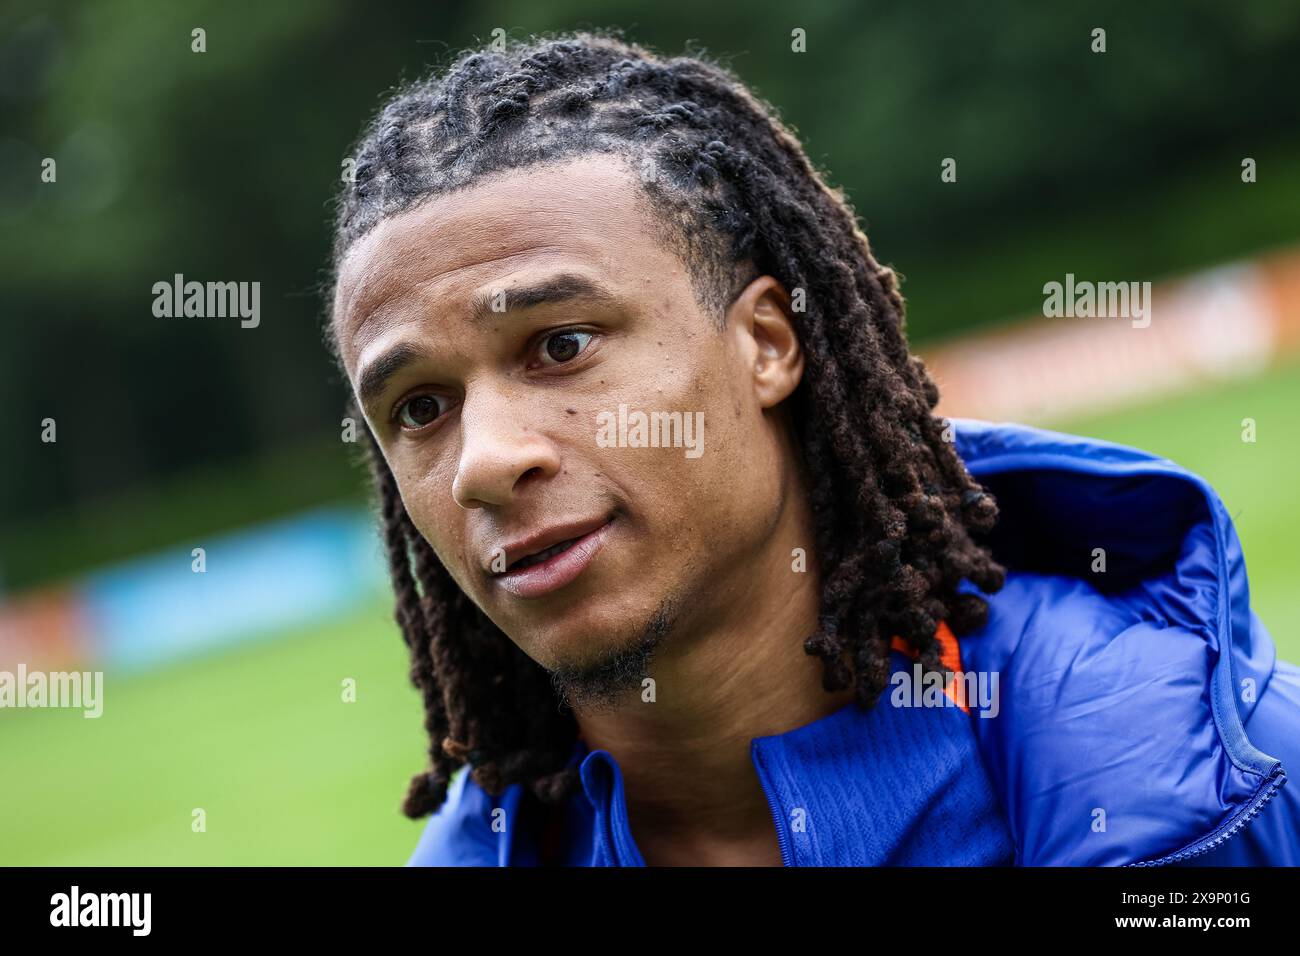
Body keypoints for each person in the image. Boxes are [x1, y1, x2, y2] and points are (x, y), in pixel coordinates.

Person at [324, 31, 1300, 866]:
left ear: (766, 344)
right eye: (420, 408)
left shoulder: (1228, 776)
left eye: (562, 345)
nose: (485, 461)